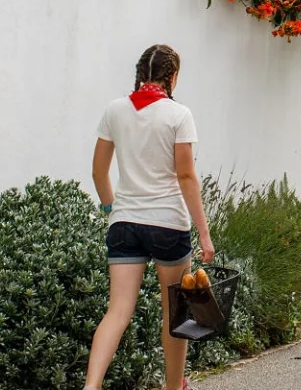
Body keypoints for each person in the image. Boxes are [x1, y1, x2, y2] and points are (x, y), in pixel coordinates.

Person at [85, 44, 215, 390]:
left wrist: (112, 210)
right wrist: (204, 235)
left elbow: (98, 171)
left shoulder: (114, 110)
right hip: (168, 225)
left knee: (117, 311)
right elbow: (186, 176)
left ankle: (91, 385)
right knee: (175, 313)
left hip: (125, 224)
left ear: (140, 73)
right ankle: (174, 387)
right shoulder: (178, 115)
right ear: (172, 76)